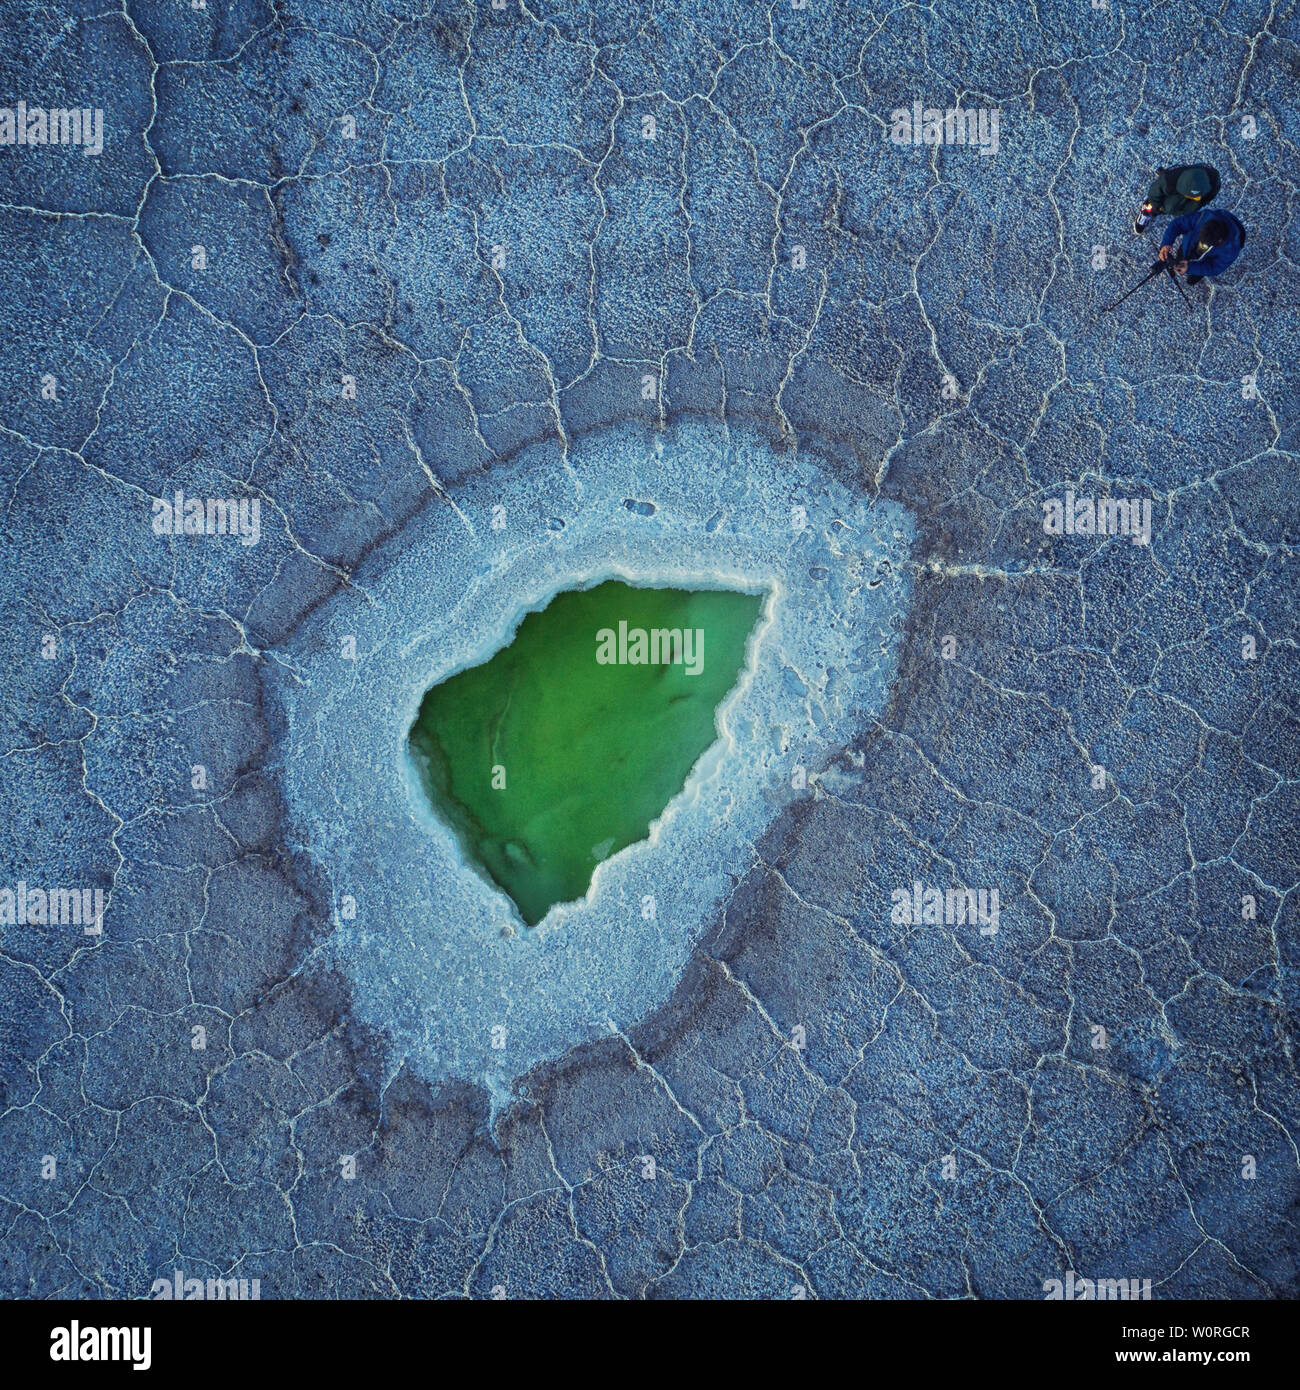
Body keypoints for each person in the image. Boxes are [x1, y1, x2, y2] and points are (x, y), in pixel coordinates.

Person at [1158, 209, 1246, 284]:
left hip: (1203, 261)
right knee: (1180, 257)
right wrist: (1166, 243)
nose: (1200, 244)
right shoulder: (1202, 218)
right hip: (1187, 248)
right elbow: (1177, 224)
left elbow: (1214, 267)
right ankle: (1185, 256)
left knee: (1192, 280)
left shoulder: (1231, 249)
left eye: (1204, 244)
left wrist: (1191, 268)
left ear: (1219, 241)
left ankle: (1193, 277)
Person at [1133, 164, 1220, 234]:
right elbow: (1154, 194)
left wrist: (1200, 201)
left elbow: (1209, 196)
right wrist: (1156, 208)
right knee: (1167, 205)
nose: (1198, 198)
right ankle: (1147, 210)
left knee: (1179, 207)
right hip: (1175, 185)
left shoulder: (1214, 182)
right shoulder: (1168, 182)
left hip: (1189, 189)